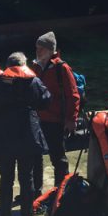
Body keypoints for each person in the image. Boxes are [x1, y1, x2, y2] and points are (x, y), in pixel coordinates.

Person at [0, 52, 50, 216]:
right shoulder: (33, 81)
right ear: (23, 65)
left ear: (9, 65)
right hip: (27, 133)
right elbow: (46, 100)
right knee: (26, 179)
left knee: (6, 179)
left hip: (5, 135)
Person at [32, 31, 80, 192]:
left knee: (58, 156)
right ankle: (35, 190)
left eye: (41, 49)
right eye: (37, 48)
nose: (38, 52)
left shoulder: (62, 68)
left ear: (50, 50)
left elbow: (73, 95)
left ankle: (61, 191)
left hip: (55, 119)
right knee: (35, 155)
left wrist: (71, 119)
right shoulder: (36, 66)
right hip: (38, 118)